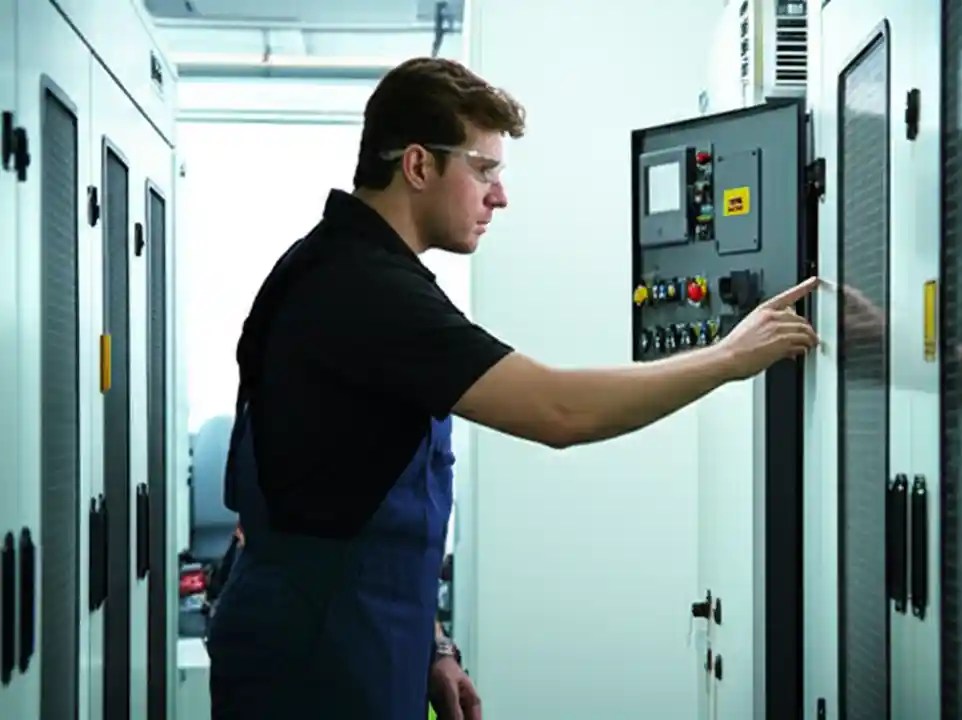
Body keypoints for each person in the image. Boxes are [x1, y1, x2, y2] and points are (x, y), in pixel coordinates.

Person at [204, 56, 819, 720]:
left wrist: (431, 646)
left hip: (351, 635)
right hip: (318, 662)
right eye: (485, 170)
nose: (499, 196)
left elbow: (335, 490)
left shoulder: (339, 265)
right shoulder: (365, 289)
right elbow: (558, 410)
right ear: (417, 166)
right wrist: (727, 358)